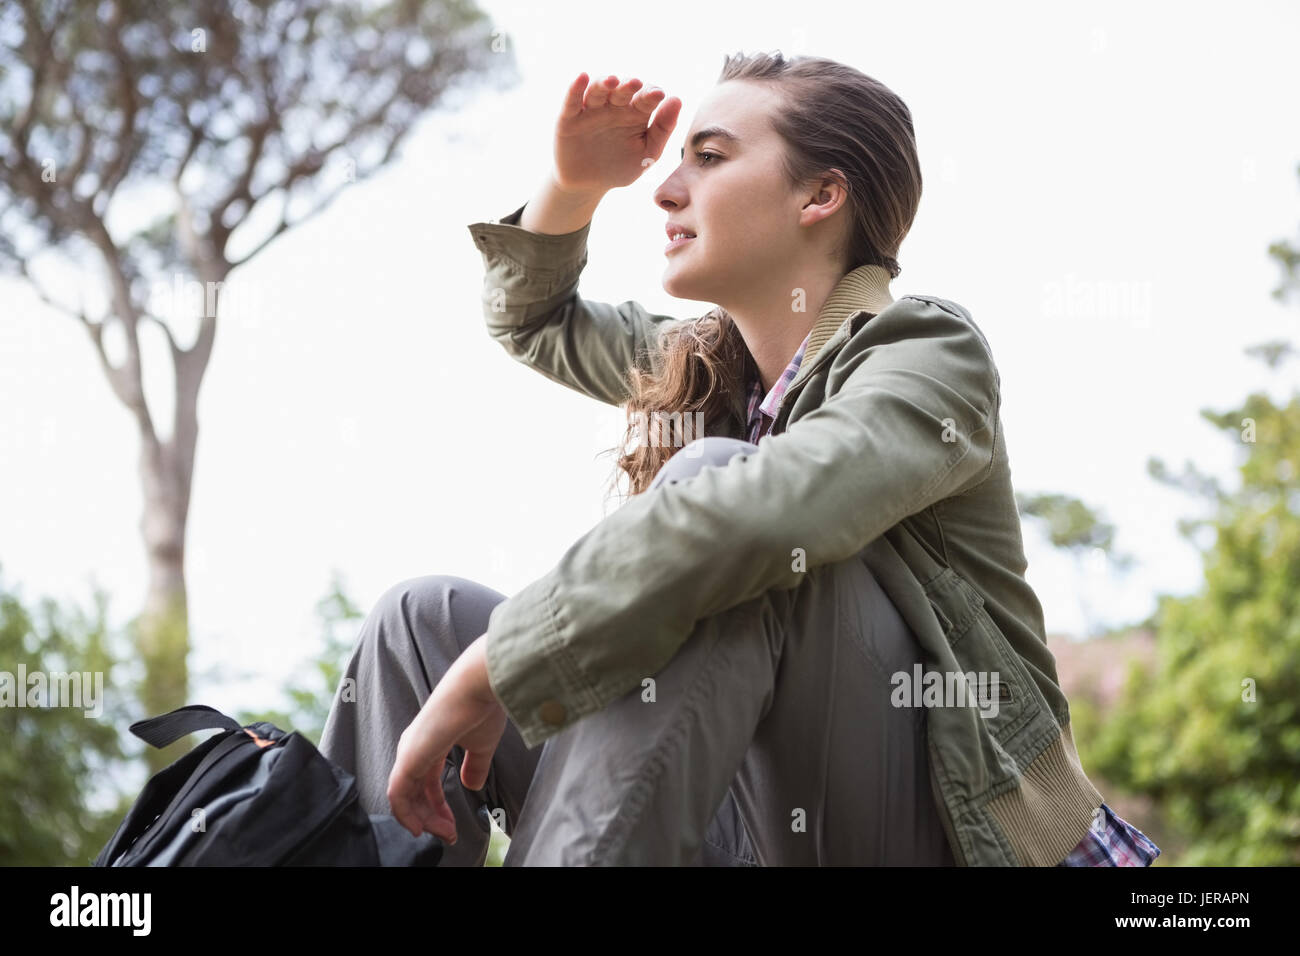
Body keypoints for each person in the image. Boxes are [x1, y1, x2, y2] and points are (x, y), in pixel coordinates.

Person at [319, 52, 1160, 867]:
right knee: (420, 621)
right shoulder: (704, 368)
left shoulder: (927, 353)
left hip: (939, 824)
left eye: (711, 158)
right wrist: (574, 185)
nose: (667, 190)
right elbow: (535, 322)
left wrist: (504, 660)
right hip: (732, 814)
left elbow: (775, 510)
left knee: (724, 504)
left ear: (821, 196)